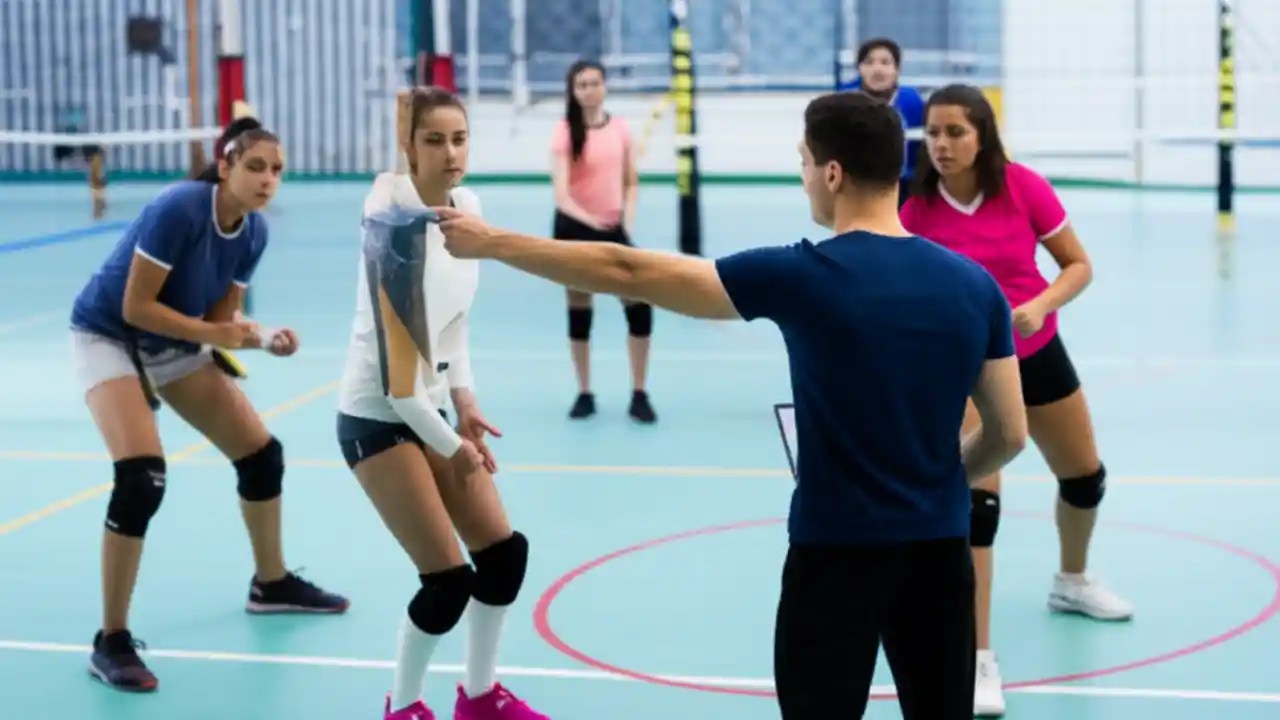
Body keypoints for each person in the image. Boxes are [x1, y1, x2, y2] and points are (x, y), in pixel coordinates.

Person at [433, 90, 1029, 720]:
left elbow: (626, 271)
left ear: (832, 172)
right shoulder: (976, 286)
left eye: (804, 164)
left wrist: (493, 242)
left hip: (834, 556)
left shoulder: (801, 275)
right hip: (938, 552)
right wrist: (939, 480)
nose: (805, 182)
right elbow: (1009, 434)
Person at [68, 120, 350, 692]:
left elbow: (220, 321)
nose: (268, 179)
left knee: (262, 456)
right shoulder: (180, 208)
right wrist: (219, 335)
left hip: (173, 342)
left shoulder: (253, 234)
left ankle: (270, 585)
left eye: (276, 170)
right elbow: (138, 306)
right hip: (110, 333)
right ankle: (111, 640)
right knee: (141, 478)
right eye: (255, 167)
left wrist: (264, 336)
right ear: (225, 167)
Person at [900, 83, 1133, 717]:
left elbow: (1076, 265)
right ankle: (976, 658)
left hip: (1035, 352)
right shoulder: (914, 206)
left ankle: (1072, 582)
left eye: (955, 132)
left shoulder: (1023, 186)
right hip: (964, 370)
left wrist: (1038, 306)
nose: (942, 145)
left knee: (1085, 477)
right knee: (979, 505)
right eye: (933, 134)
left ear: (983, 135)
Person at [336, 86, 549, 720]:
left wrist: (465, 401)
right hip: (378, 417)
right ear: (409, 147)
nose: (451, 153)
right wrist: (454, 448)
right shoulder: (391, 226)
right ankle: (402, 708)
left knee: (504, 556)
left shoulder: (467, 207)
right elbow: (399, 388)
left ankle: (479, 698)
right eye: (434, 140)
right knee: (448, 582)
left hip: (429, 408)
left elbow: (453, 322)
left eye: (460, 139)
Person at [550, 59, 654, 423]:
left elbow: (631, 181)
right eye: (582, 85)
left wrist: (625, 221)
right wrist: (592, 222)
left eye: (595, 83)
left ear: (604, 86)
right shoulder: (565, 132)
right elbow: (561, 195)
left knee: (639, 303)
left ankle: (639, 392)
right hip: (574, 229)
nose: (589, 90)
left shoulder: (621, 129)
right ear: (574, 92)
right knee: (580, 309)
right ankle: (584, 392)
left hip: (612, 229)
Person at [837, 37, 924, 208]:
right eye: (869, 62)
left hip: (904, 188)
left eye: (885, 62)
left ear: (897, 70)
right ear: (860, 69)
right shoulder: (845, 101)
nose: (877, 69)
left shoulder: (912, 101)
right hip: (857, 188)